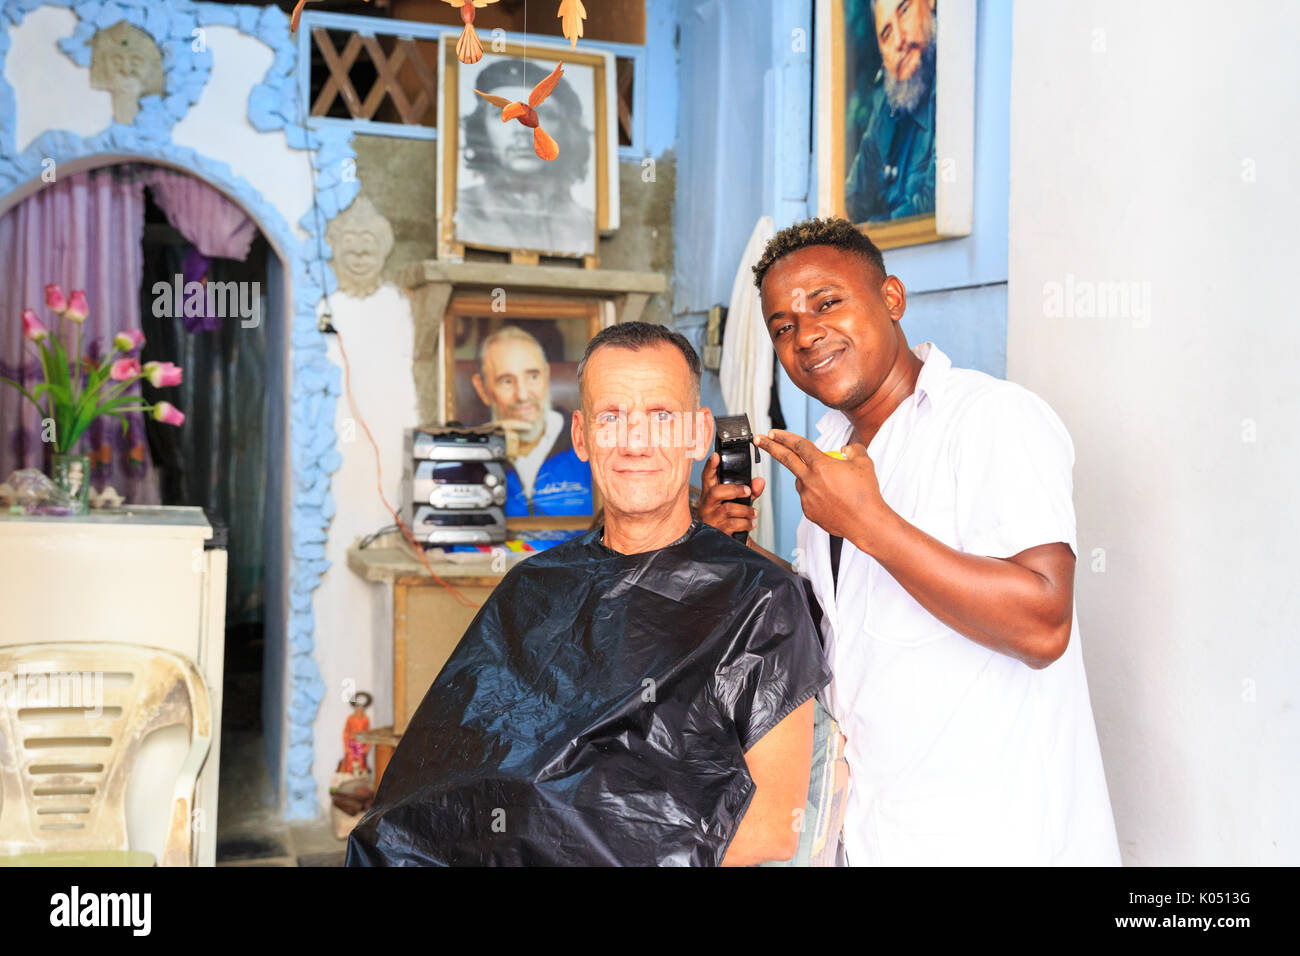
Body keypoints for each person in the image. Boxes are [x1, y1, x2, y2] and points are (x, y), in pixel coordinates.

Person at [699, 217, 1121, 865]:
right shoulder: (834, 451)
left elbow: (1043, 623)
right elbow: (840, 622)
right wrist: (728, 550)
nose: (806, 335)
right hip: (875, 838)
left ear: (891, 299)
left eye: (827, 303)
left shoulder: (990, 420)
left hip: (997, 842)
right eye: (783, 326)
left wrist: (870, 524)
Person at [347, 322, 831, 866]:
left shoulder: (764, 601)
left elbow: (773, 829)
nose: (635, 441)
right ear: (581, 436)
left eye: (660, 416)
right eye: (612, 417)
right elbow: (444, 785)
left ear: (699, 435)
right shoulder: (531, 587)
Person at [456, 57, 595, 255]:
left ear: (566, 131)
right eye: (504, 115)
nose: (522, 129)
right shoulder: (459, 212)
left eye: (542, 114)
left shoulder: (586, 225)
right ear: (482, 129)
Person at [471, 324, 591, 516]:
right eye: (507, 381)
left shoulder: (586, 442)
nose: (523, 395)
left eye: (533, 377)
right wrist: (487, 452)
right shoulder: (468, 453)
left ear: (547, 376)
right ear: (482, 389)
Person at [844, 0, 937, 222]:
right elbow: (853, 201)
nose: (899, 40)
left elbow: (934, 201)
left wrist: (870, 232)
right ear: (883, 58)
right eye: (886, 34)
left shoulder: (951, 83)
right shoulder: (890, 103)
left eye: (904, 10)